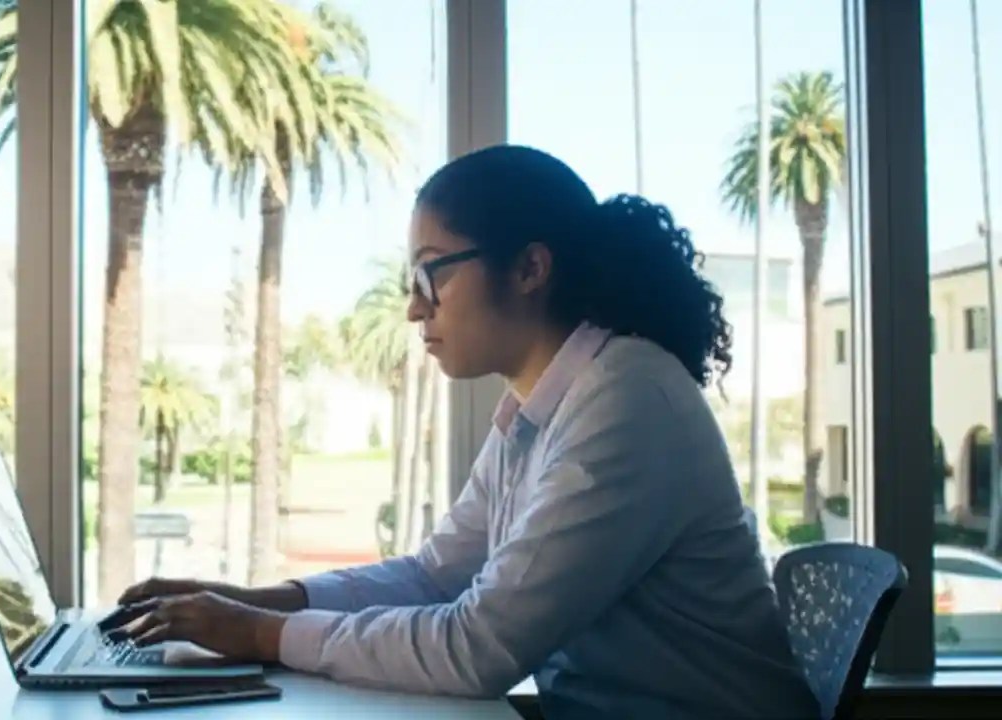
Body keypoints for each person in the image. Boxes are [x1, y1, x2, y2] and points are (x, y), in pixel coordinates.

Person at [103, 145, 820, 719]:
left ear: (530, 268)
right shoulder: (538, 409)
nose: (416, 310)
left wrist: (259, 636)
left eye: (430, 275)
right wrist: (252, 601)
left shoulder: (628, 399)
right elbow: (434, 574)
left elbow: (479, 646)